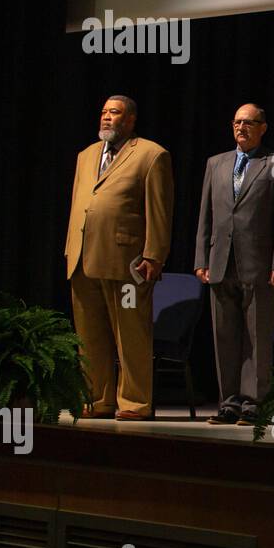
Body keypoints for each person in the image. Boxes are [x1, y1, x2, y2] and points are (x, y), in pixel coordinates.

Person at [64, 96, 174, 420]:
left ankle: (134, 403)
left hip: (127, 262)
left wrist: (154, 256)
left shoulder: (152, 155)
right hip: (84, 258)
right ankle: (97, 399)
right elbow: (79, 203)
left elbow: (159, 211)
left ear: (130, 120)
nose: (107, 118)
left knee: (131, 334)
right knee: (88, 336)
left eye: (115, 113)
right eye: (103, 112)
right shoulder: (86, 156)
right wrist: (70, 247)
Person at [194, 104, 274, 426]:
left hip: (259, 263)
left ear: (263, 127)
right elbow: (206, 215)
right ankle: (229, 404)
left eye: (249, 122)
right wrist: (201, 258)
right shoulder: (216, 163)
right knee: (224, 336)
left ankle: (255, 404)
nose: (242, 127)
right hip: (220, 261)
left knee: (257, 336)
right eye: (237, 122)